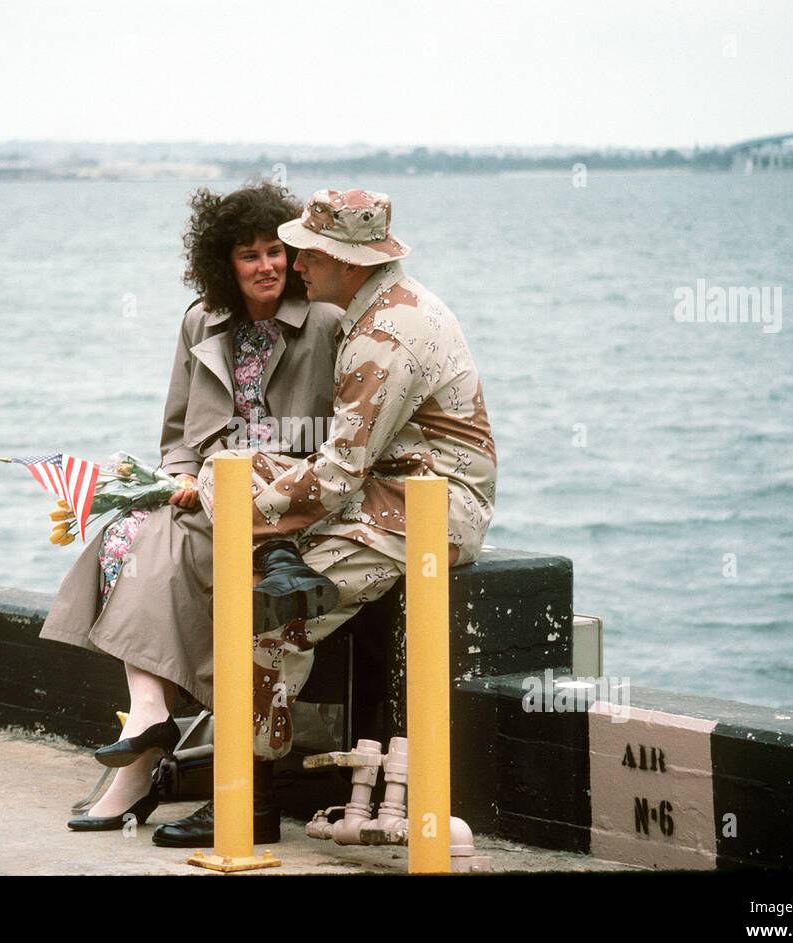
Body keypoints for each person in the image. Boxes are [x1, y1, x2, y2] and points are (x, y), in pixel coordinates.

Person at [150, 187, 497, 847]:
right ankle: (281, 556)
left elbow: (338, 475)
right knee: (233, 467)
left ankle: (246, 799)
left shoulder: (384, 335)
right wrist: (245, 499)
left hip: (429, 508)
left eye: (309, 253)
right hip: (388, 485)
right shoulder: (378, 306)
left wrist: (251, 517)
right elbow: (345, 467)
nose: (295, 264)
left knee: (267, 622)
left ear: (348, 262)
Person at [38, 181, 343, 833]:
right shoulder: (199, 321)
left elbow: (345, 439)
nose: (266, 266)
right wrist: (177, 477)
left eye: (275, 252)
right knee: (130, 528)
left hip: (284, 515)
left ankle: (141, 758)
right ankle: (148, 716)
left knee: (158, 548)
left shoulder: (323, 321)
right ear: (222, 264)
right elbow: (177, 433)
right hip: (204, 498)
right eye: (248, 254)